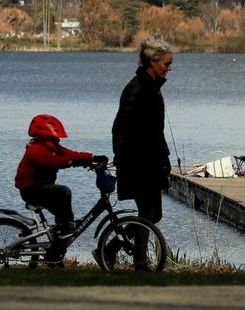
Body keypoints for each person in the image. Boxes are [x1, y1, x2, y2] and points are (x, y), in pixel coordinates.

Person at [112, 37, 174, 269]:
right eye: (166, 64)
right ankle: (138, 261)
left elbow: (155, 131)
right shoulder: (137, 89)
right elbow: (120, 126)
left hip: (151, 161)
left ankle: (113, 249)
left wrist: (165, 156)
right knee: (149, 212)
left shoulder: (151, 88)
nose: (170, 68)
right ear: (153, 62)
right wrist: (120, 155)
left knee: (151, 213)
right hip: (137, 162)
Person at [14, 113, 100, 260]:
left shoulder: (53, 147)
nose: (58, 140)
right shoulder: (35, 150)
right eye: (54, 138)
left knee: (63, 219)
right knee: (63, 192)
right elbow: (52, 162)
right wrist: (72, 162)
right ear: (41, 137)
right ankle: (64, 230)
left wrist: (91, 158)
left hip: (44, 189)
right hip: (31, 190)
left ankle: (57, 247)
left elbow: (71, 153)